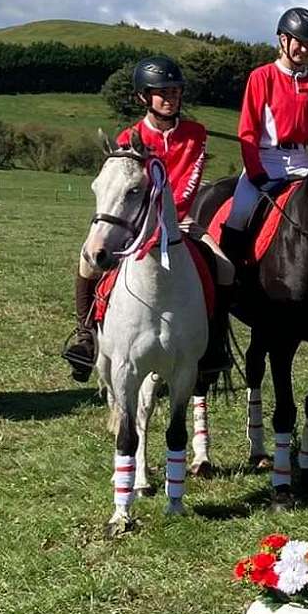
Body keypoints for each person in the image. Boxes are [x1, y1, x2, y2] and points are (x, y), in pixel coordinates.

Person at [63, 55, 212, 379]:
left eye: (175, 91)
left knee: (222, 266)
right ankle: (86, 337)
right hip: (136, 227)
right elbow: (122, 188)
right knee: (87, 261)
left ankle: (212, 345)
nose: (171, 98)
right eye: (163, 92)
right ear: (144, 97)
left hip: (180, 221)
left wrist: (170, 216)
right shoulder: (128, 137)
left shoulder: (196, 134)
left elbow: (190, 183)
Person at [223, 7, 308, 258]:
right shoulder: (261, 77)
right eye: (301, 43)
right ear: (283, 40)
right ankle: (228, 277)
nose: (305, 50)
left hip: (301, 162)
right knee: (239, 213)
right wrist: (255, 173)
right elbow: (248, 131)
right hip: (265, 161)